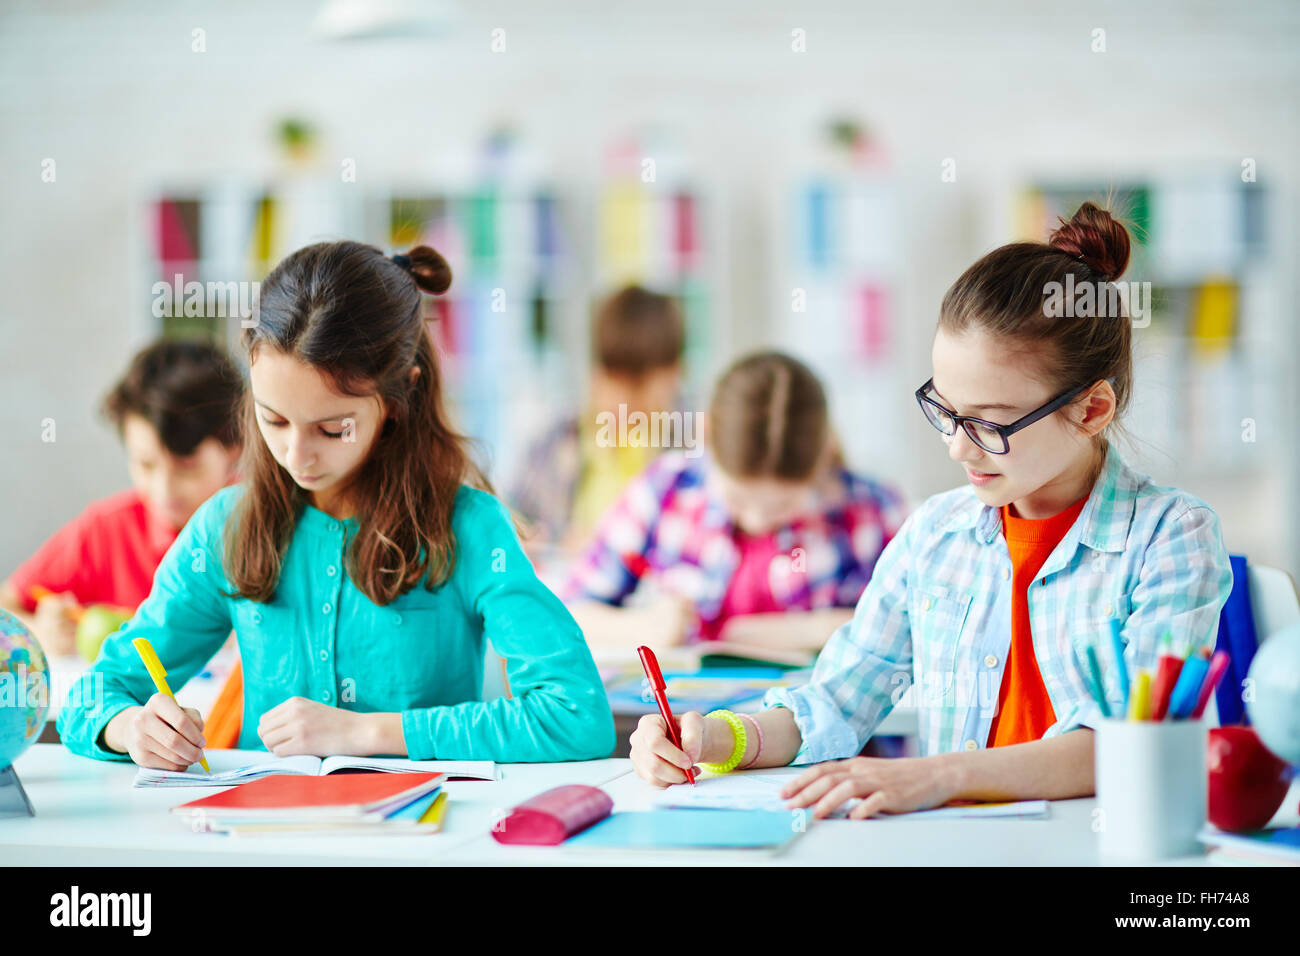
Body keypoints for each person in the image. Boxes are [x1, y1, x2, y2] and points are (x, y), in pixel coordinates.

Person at [628, 202, 1233, 817]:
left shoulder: (1170, 537)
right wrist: (718, 738)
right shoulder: (936, 535)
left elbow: (1130, 745)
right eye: (945, 409)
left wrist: (935, 775)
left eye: (989, 424)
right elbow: (838, 700)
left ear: (1091, 411)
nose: (956, 445)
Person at [57, 240, 615, 767]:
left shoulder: (468, 528)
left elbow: (576, 716)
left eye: (332, 428)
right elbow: (94, 696)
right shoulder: (225, 527)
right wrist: (131, 728)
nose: (296, 454)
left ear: (399, 399)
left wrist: (371, 733)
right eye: (273, 419)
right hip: (258, 834)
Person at [564, 351, 906, 655]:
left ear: (824, 457)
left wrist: (807, 630)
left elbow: (918, 630)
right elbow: (566, 611)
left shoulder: (871, 511)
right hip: (682, 720)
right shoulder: (664, 489)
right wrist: (644, 628)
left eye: (782, 505)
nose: (757, 520)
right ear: (706, 437)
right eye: (739, 500)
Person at [1, 340, 242, 655]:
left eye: (187, 467)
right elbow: (7, 605)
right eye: (146, 464)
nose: (164, 489)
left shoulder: (266, 522)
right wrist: (37, 631)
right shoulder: (106, 530)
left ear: (235, 448)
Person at [509, 284, 686, 553]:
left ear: (674, 375)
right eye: (614, 380)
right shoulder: (557, 442)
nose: (623, 400)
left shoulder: (689, 450)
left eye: (638, 386)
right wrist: (547, 544)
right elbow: (513, 524)